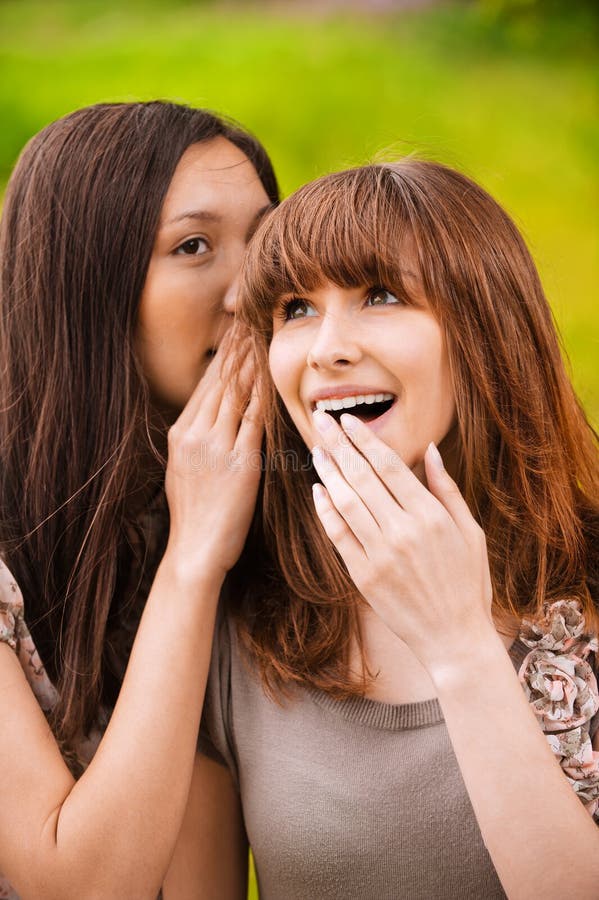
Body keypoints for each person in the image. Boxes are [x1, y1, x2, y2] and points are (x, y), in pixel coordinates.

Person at [165, 160, 599, 899]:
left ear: (486, 329)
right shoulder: (242, 616)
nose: (326, 348)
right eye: (296, 309)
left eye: (380, 296)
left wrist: (458, 645)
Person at [0, 100, 278, 899]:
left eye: (265, 243)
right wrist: (194, 560)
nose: (248, 293)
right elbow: (82, 884)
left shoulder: (244, 493)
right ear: (83, 285)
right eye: (193, 246)